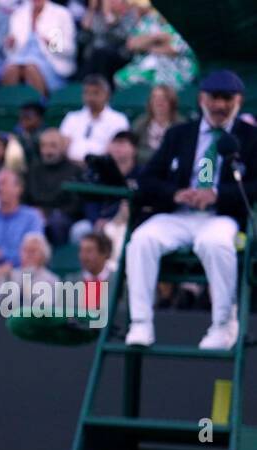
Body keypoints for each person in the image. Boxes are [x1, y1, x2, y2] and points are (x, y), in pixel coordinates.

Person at [125, 71, 257, 351]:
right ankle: (140, 322)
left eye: (227, 99)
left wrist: (217, 194)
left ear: (239, 100)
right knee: (141, 240)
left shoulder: (250, 137)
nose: (220, 106)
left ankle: (223, 324)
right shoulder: (179, 134)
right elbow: (148, 179)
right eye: (214, 98)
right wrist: (175, 192)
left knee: (215, 243)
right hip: (179, 214)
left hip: (222, 217)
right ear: (201, 99)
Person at [0, 0, 75, 96]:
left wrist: (52, 44)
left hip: (52, 63)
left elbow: (70, 50)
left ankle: (38, 107)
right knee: (10, 69)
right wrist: (11, 44)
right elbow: (9, 50)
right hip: (20, 58)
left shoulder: (61, 14)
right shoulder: (19, 13)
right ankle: (10, 107)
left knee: (31, 68)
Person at [24, 128, 85, 246]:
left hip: (62, 217)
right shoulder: (33, 169)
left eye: (53, 146)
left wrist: (48, 213)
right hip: (34, 214)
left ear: (62, 148)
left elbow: (76, 206)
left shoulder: (74, 170)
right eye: (44, 146)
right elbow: (25, 198)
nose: (48, 151)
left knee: (57, 221)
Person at [58, 74, 129, 165]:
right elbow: (63, 143)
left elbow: (118, 149)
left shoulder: (119, 120)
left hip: (103, 167)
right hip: (70, 166)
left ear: (107, 95)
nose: (90, 97)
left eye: (96, 93)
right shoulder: (72, 118)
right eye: (87, 93)